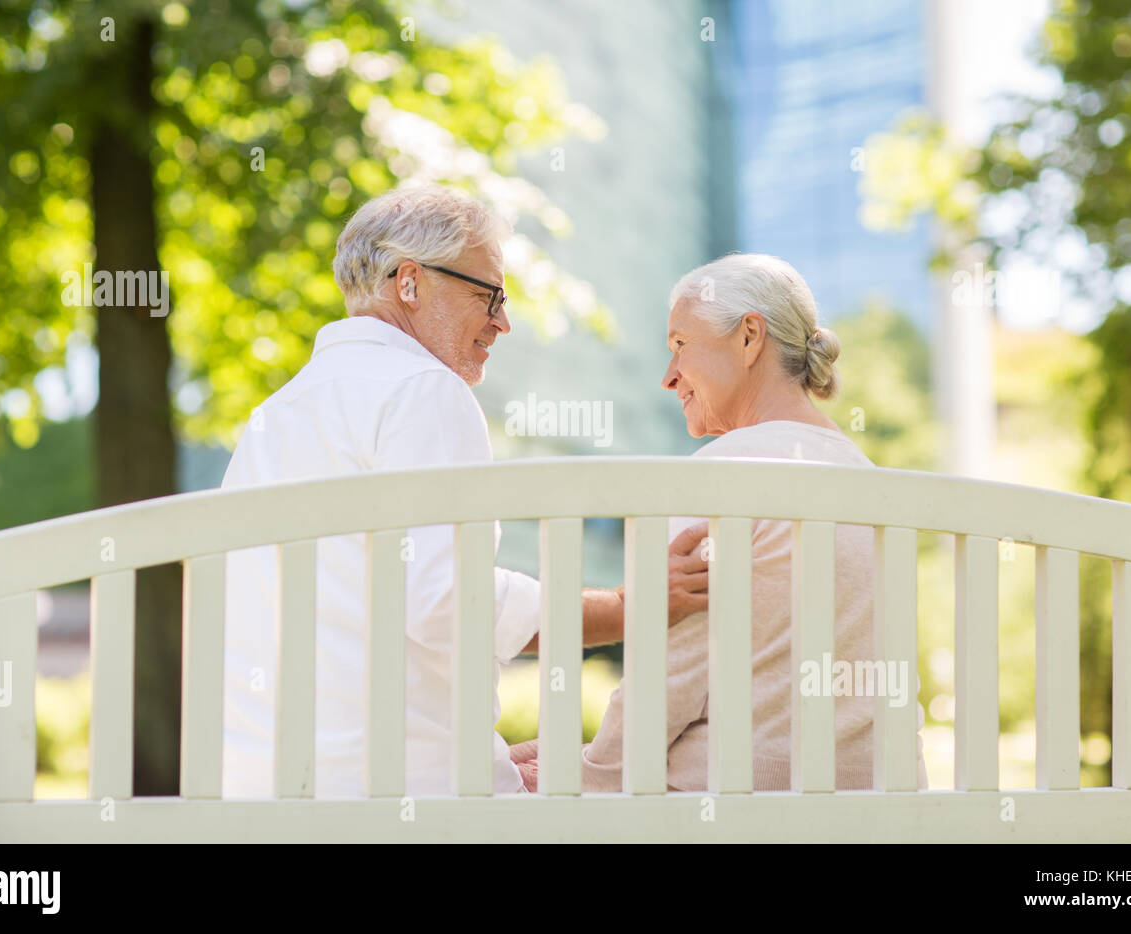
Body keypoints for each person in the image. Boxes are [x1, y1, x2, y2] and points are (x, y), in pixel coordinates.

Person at [221, 184, 709, 798]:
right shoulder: (424, 389)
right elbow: (446, 599)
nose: (503, 322)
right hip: (399, 797)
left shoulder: (277, 413)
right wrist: (630, 605)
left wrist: (492, 760)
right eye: (490, 294)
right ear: (409, 282)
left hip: (261, 790)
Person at [513, 253, 928, 792]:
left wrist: (589, 772)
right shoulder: (866, 477)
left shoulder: (724, 475)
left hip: (745, 800)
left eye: (680, 346)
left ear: (750, 337)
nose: (668, 377)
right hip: (882, 797)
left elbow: (671, 680)